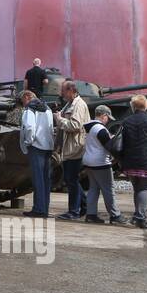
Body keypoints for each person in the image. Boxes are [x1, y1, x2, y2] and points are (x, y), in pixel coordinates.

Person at [107, 94, 147, 229]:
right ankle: (140, 217)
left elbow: (120, 143)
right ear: (146, 106)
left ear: (133, 106)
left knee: (138, 189)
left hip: (130, 163)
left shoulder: (126, 122)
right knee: (146, 189)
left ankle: (139, 215)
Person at [82, 104, 126, 224]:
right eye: (108, 118)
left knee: (93, 189)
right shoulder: (100, 129)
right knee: (108, 189)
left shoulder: (89, 127)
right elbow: (109, 146)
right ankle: (115, 215)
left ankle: (91, 214)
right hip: (100, 163)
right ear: (104, 115)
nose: (108, 121)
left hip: (88, 161)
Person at [55, 80, 90, 220]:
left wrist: (59, 119)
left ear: (71, 91)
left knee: (71, 180)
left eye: (63, 91)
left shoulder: (79, 105)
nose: (61, 93)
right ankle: (83, 206)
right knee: (71, 179)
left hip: (75, 148)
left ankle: (74, 211)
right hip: (69, 148)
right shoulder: (70, 104)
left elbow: (75, 125)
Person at [19, 88, 55, 218]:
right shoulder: (48, 109)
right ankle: (44, 208)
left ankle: (38, 209)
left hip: (36, 147)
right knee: (46, 180)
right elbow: (51, 127)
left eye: (23, 101)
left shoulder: (30, 109)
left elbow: (29, 127)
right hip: (47, 147)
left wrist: (29, 141)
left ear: (28, 97)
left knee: (37, 179)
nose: (23, 104)